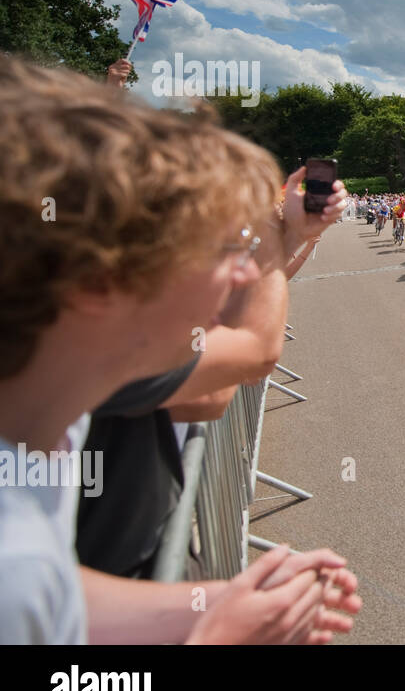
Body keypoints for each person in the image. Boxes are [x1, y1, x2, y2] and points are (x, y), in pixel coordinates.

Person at [0, 57, 360, 643]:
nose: (246, 275)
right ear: (98, 283)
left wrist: (215, 606)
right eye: (222, 247)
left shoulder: (46, 410)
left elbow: (57, 595)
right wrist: (216, 637)